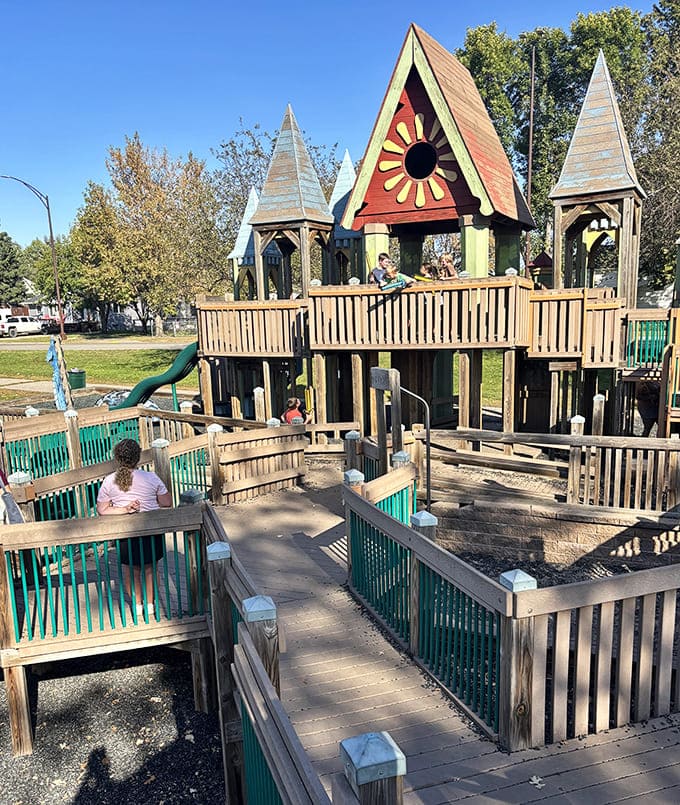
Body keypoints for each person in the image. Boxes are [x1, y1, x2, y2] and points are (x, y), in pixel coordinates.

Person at [96, 439, 172, 618]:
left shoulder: (109, 481)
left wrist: (124, 509)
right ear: (138, 457)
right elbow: (167, 502)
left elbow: (102, 509)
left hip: (126, 532)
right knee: (150, 569)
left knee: (131, 571)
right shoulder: (151, 477)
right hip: (151, 530)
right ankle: (151, 605)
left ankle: (137, 606)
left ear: (117, 458)